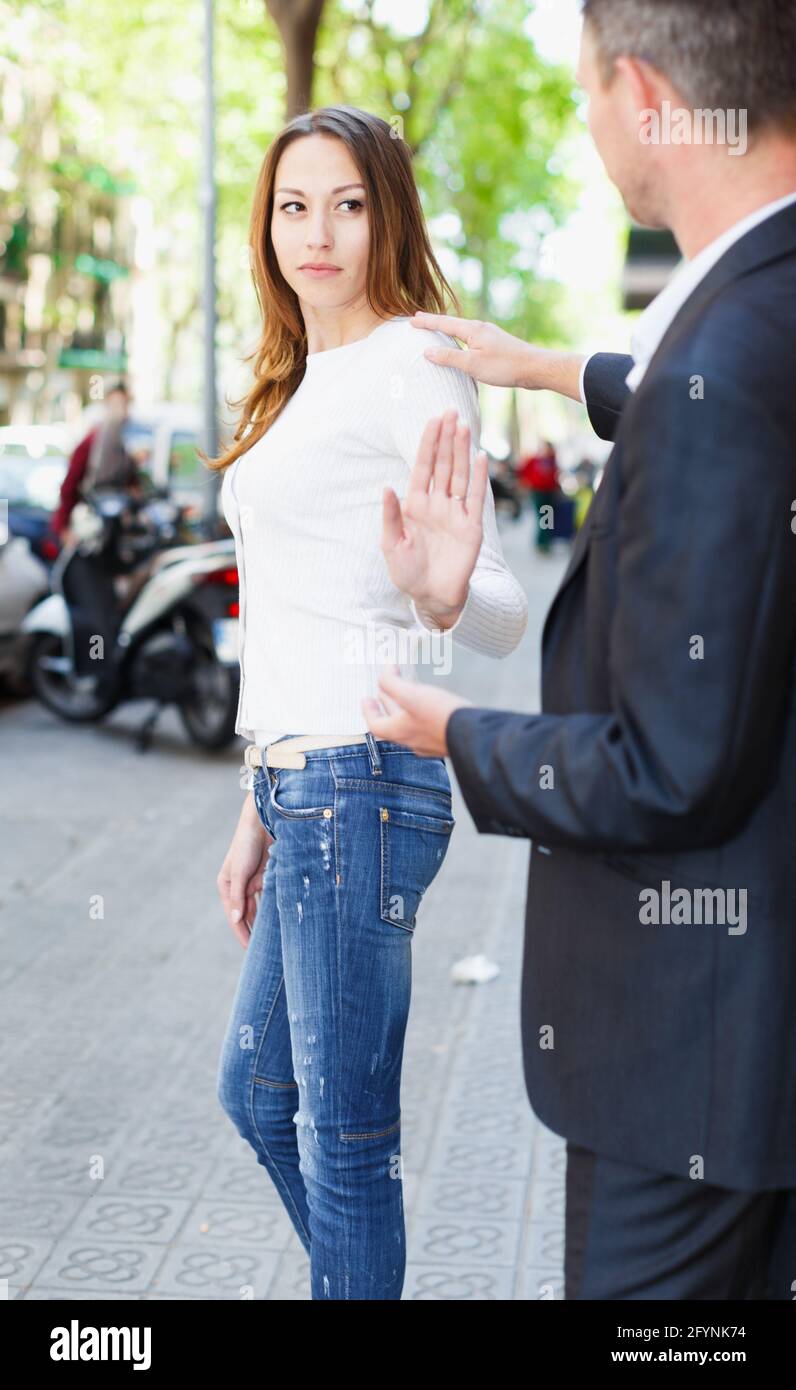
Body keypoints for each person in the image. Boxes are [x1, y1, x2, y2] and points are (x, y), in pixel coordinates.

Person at [363, 0, 796, 1299]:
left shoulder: (732, 347)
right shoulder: (756, 313)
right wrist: (548, 365)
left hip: (694, 1064)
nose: (590, 122)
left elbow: (671, 771)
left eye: (590, 93)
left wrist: (455, 732)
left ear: (652, 95)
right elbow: (699, 392)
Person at [210, 104, 528, 1301]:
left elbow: (495, 606)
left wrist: (446, 595)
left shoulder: (412, 362)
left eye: (347, 202)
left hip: (364, 782)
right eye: (294, 205)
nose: (318, 231)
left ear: (386, 211)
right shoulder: (296, 377)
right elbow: (280, 616)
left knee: (347, 1145)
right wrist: (254, 803)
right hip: (302, 784)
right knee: (256, 1096)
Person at [52, 380, 142, 679]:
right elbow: (69, 488)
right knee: (95, 608)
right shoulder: (95, 441)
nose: (123, 411)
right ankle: (100, 667)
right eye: (118, 404)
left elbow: (132, 488)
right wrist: (64, 529)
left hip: (113, 543)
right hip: (93, 542)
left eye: (126, 404)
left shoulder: (119, 445)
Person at [517, 439, 560, 551]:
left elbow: (555, 475)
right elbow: (522, 472)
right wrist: (527, 483)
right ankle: (542, 542)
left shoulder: (552, 461)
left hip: (550, 492)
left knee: (548, 515)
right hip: (538, 492)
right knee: (542, 516)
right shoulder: (534, 460)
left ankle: (545, 542)